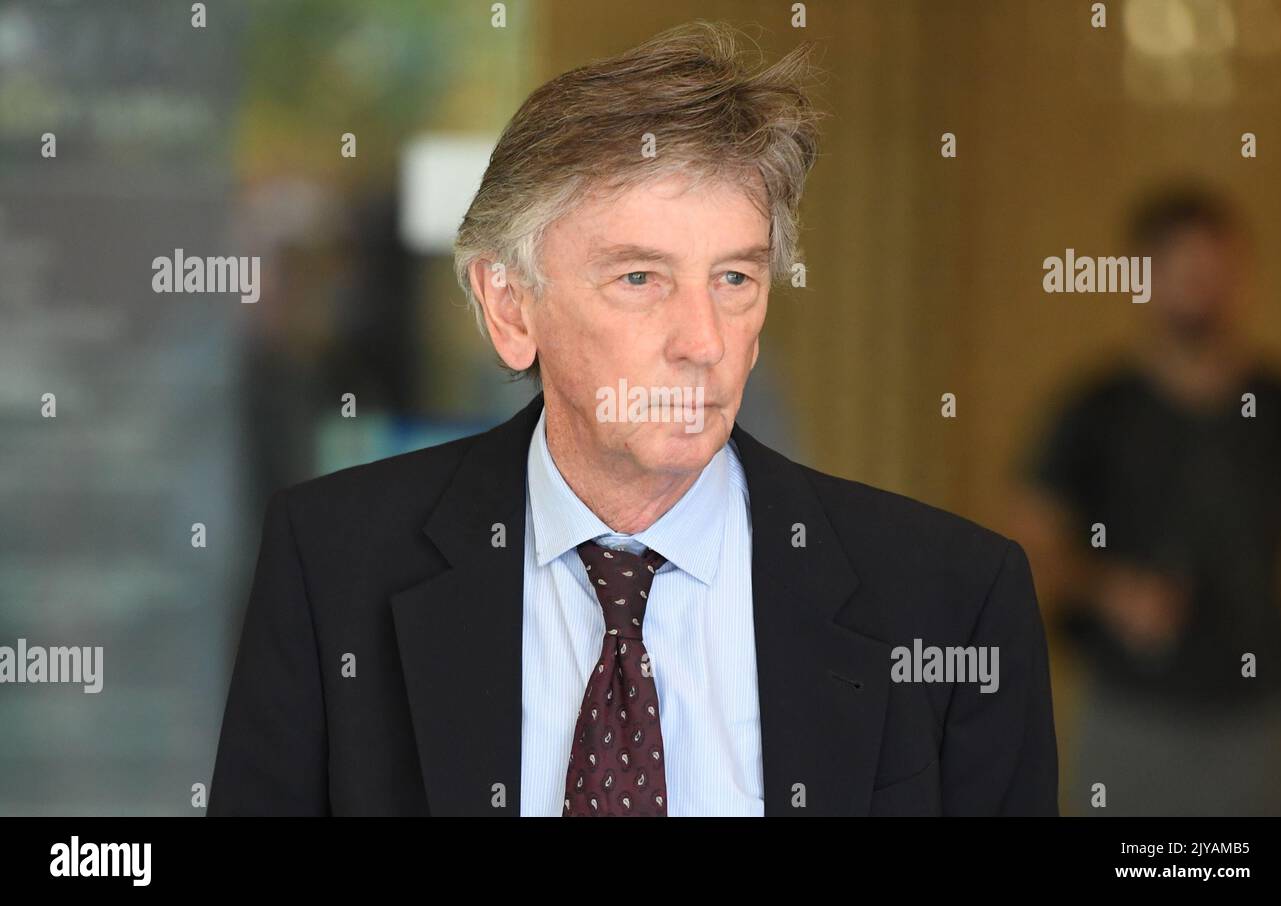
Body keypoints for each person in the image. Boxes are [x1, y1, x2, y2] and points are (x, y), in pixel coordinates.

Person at [210, 21, 1057, 817]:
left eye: (734, 279)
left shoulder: (950, 602)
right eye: (640, 279)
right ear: (510, 309)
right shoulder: (333, 568)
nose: (703, 342)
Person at [1016, 184, 1281, 815]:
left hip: (1261, 716)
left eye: (1215, 270)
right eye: (1182, 271)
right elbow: (1031, 545)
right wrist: (1109, 590)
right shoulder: (1096, 410)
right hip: (1132, 712)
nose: (1201, 287)